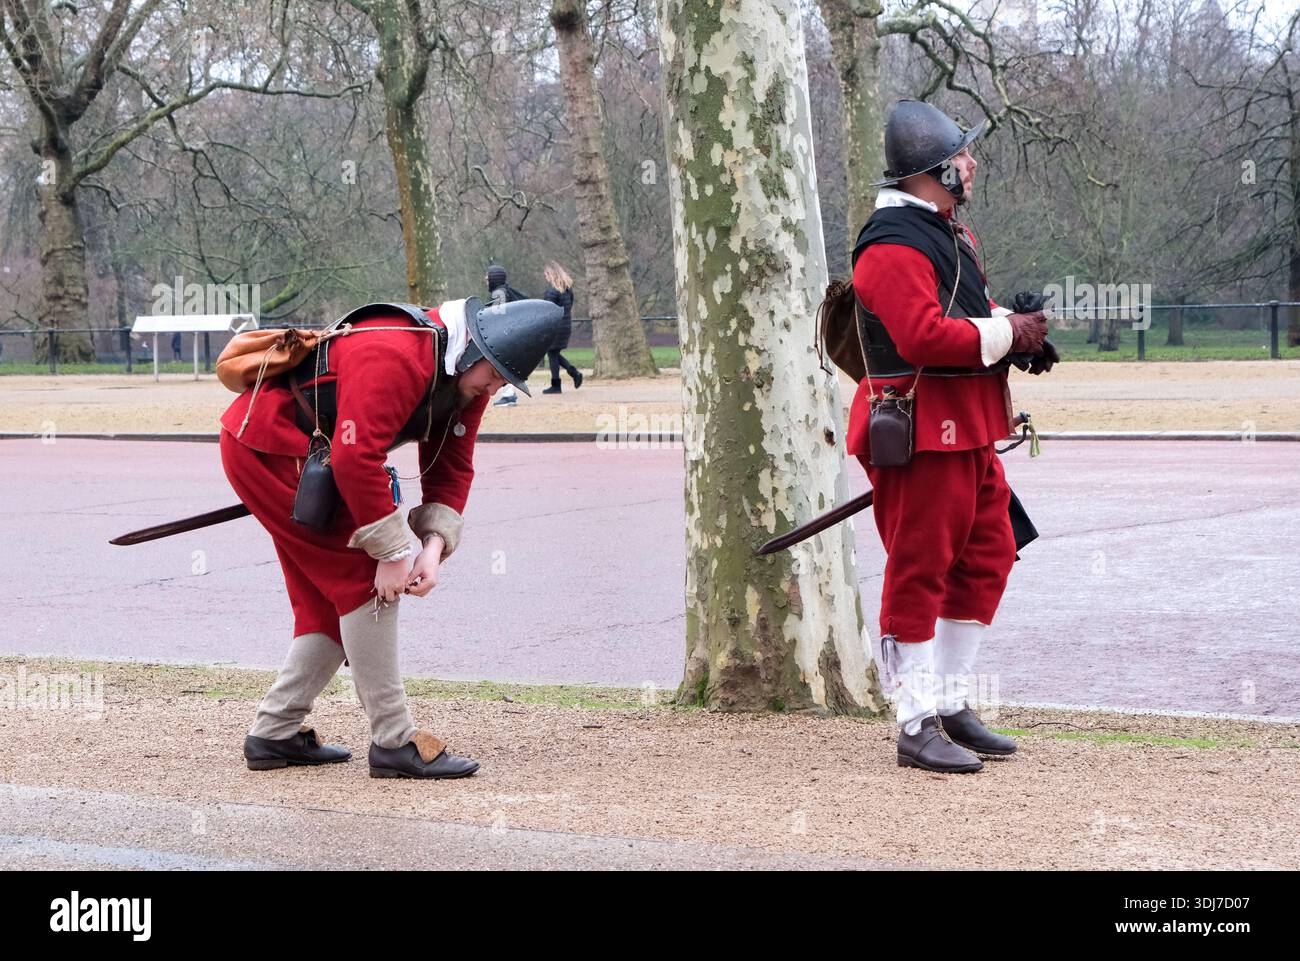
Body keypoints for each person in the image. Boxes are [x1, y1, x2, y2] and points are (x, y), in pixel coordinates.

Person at [218, 296, 560, 778]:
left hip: (313, 458)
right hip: (272, 449)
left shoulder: (469, 378)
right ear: (472, 348)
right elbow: (357, 457)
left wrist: (432, 547)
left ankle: (274, 734)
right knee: (364, 582)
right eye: (496, 373)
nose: (496, 385)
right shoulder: (396, 352)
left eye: (505, 379)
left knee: (327, 603)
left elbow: (452, 465)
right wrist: (394, 550)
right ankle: (395, 741)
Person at [846, 99, 1052, 774]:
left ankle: (950, 700)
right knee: (920, 567)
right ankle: (913, 721)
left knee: (988, 552)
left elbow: (962, 314)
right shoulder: (891, 245)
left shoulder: (946, 233)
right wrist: (1004, 333)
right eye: (963, 155)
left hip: (965, 420)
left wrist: (1016, 338)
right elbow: (923, 336)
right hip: (916, 427)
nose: (973, 163)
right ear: (937, 172)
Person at [485, 264, 529, 406]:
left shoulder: (499, 293)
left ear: (494, 278)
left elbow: (498, 318)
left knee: (502, 366)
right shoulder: (504, 290)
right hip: (512, 335)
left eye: (488, 275)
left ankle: (509, 394)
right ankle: (509, 393)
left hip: (506, 337)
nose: (485, 278)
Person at [540, 262, 583, 394]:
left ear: (552, 274)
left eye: (546, 274)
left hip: (555, 326)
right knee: (554, 352)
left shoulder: (551, 291)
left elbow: (547, 310)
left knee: (552, 353)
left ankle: (557, 384)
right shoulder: (568, 289)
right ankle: (573, 373)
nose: (545, 277)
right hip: (565, 325)